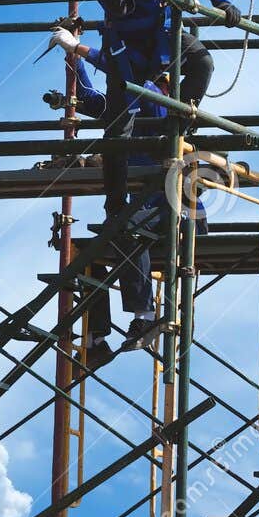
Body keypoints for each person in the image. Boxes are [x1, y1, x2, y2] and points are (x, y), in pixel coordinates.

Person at [86, 0, 242, 214]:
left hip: (165, 28)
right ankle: (115, 202)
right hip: (126, 41)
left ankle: (175, 129)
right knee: (119, 125)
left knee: (202, 63)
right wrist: (122, 2)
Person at [46, 27, 174, 370]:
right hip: (137, 211)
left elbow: (124, 78)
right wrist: (73, 58)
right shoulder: (132, 100)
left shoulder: (158, 100)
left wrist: (80, 48)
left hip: (168, 210)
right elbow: (91, 99)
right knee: (89, 253)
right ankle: (95, 339)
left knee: (123, 228)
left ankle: (146, 317)